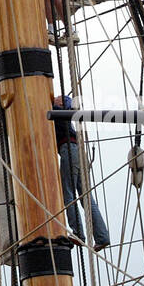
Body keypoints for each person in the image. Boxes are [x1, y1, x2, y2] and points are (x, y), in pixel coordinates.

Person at [53, 94, 110, 250]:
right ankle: (102, 236)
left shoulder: (58, 110)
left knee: (68, 193)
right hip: (77, 152)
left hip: (69, 150)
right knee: (86, 197)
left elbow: (68, 103)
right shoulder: (61, 112)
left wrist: (57, 103)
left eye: (58, 98)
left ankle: (78, 232)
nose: (55, 99)